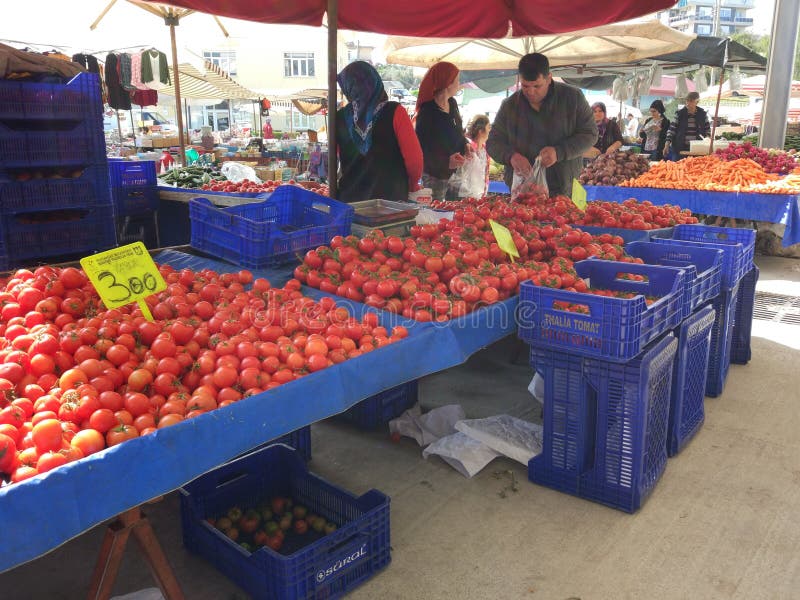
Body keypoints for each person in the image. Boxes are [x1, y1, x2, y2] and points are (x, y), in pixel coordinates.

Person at [487, 53, 597, 197]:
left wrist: (559, 152)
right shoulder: (510, 105)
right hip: (522, 190)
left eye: (537, 86)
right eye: (525, 86)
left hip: (564, 185)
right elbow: (493, 143)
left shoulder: (573, 98)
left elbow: (590, 134)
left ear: (549, 78)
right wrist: (511, 156)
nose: (531, 92)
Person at [335, 60, 423, 203]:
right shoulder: (395, 112)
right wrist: (412, 184)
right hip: (390, 203)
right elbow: (414, 161)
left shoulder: (339, 118)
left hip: (351, 202)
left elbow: (333, 161)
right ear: (375, 81)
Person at [414, 61, 471, 200]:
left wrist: (465, 144)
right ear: (447, 83)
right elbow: (422, 149)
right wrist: (446, 162)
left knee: (456, 211)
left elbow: (457, 130)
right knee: (436, 211)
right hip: (435, 175)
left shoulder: (452, 103)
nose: (459, 84)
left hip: (456, 173)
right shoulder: (427, 111)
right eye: (457, 80)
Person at [450, 114, 491, 198]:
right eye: (488, 128)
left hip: (478, 195)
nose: (490, 131)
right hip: (463, 195)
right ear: (480, 131)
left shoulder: (484, 149)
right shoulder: (467, 148)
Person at [664, 91, 710, 160]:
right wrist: (667, 145)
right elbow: (671, 130)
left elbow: (708, 131)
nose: (688, 103)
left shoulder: (703, 115)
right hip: (680, 149)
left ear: (697, 102)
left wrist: (708, 141)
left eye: (691, 101)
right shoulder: (679, 114)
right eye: (687, 101)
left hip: (697, 150)